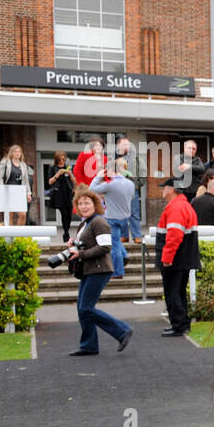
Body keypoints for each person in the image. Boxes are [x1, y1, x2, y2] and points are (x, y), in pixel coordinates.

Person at [65, 186, 132, 356]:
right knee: (82, 309)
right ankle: (89, 345)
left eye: (87, 203)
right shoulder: (85, 223)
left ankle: (122, 330)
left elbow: (105, 247)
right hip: (89, 269)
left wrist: (80, 253)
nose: (83, 206)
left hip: (99, 269)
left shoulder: (99, 222)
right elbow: (88, 244)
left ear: (95, 204)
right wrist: (74, 245)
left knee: (86, 308)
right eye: (80, 203)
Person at [156, 178, 200, 337]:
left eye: (164, 187)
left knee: (173, 292)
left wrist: (167, 257)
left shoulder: (176, 207)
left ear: (171, 189)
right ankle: (181, 323)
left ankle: (178, 325)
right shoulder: (183, 205)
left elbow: (174, 235)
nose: (162, 190)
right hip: (183, 258)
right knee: (179, 291)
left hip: (175, 259)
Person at [88, 167, 135, 278]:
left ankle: (118, 272)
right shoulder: (130, 184)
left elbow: (91, 189)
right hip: (125, 217)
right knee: (116, 240)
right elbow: (131, 197)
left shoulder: (110, 184)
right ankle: (124, 255)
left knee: (114, 246)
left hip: (112, 217)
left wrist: (98, 176)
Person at [113, 137, 144, 243]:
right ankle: (124, 235)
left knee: (134, 212)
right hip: (118, 190)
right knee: (121, 213)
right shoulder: (113, 158)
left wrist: (138, 184)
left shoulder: (135, 157)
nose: (127, 146)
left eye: (128, 144)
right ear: (118, 146)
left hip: (132, 189)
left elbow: (143, 170)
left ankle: (137, 236)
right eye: (124, 144)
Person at [0, 144, 33, 225]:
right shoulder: (5, 162)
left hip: (19, 191)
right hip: (8, 190)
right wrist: (1, 189)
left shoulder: (23, 164)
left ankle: (19, 235)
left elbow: (25, 180)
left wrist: (28, 193)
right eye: (15, 152)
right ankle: (9, 235)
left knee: (23, 214)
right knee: (9, 215)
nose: (17, 153)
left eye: (19, 152)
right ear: (11, 153)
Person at [46, 151, 76, 241]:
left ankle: (66, 231)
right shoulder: (53, 168)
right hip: (59, 194)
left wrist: (70, 174)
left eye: (63, 157)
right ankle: (66, 234)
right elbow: (50, 182)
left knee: (69, 214)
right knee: (64, 213)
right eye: (60, 157)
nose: (62, 159)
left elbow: (74, 182)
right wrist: (58, 173)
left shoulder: (68, 167)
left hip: (68, 193)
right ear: (57, 158)